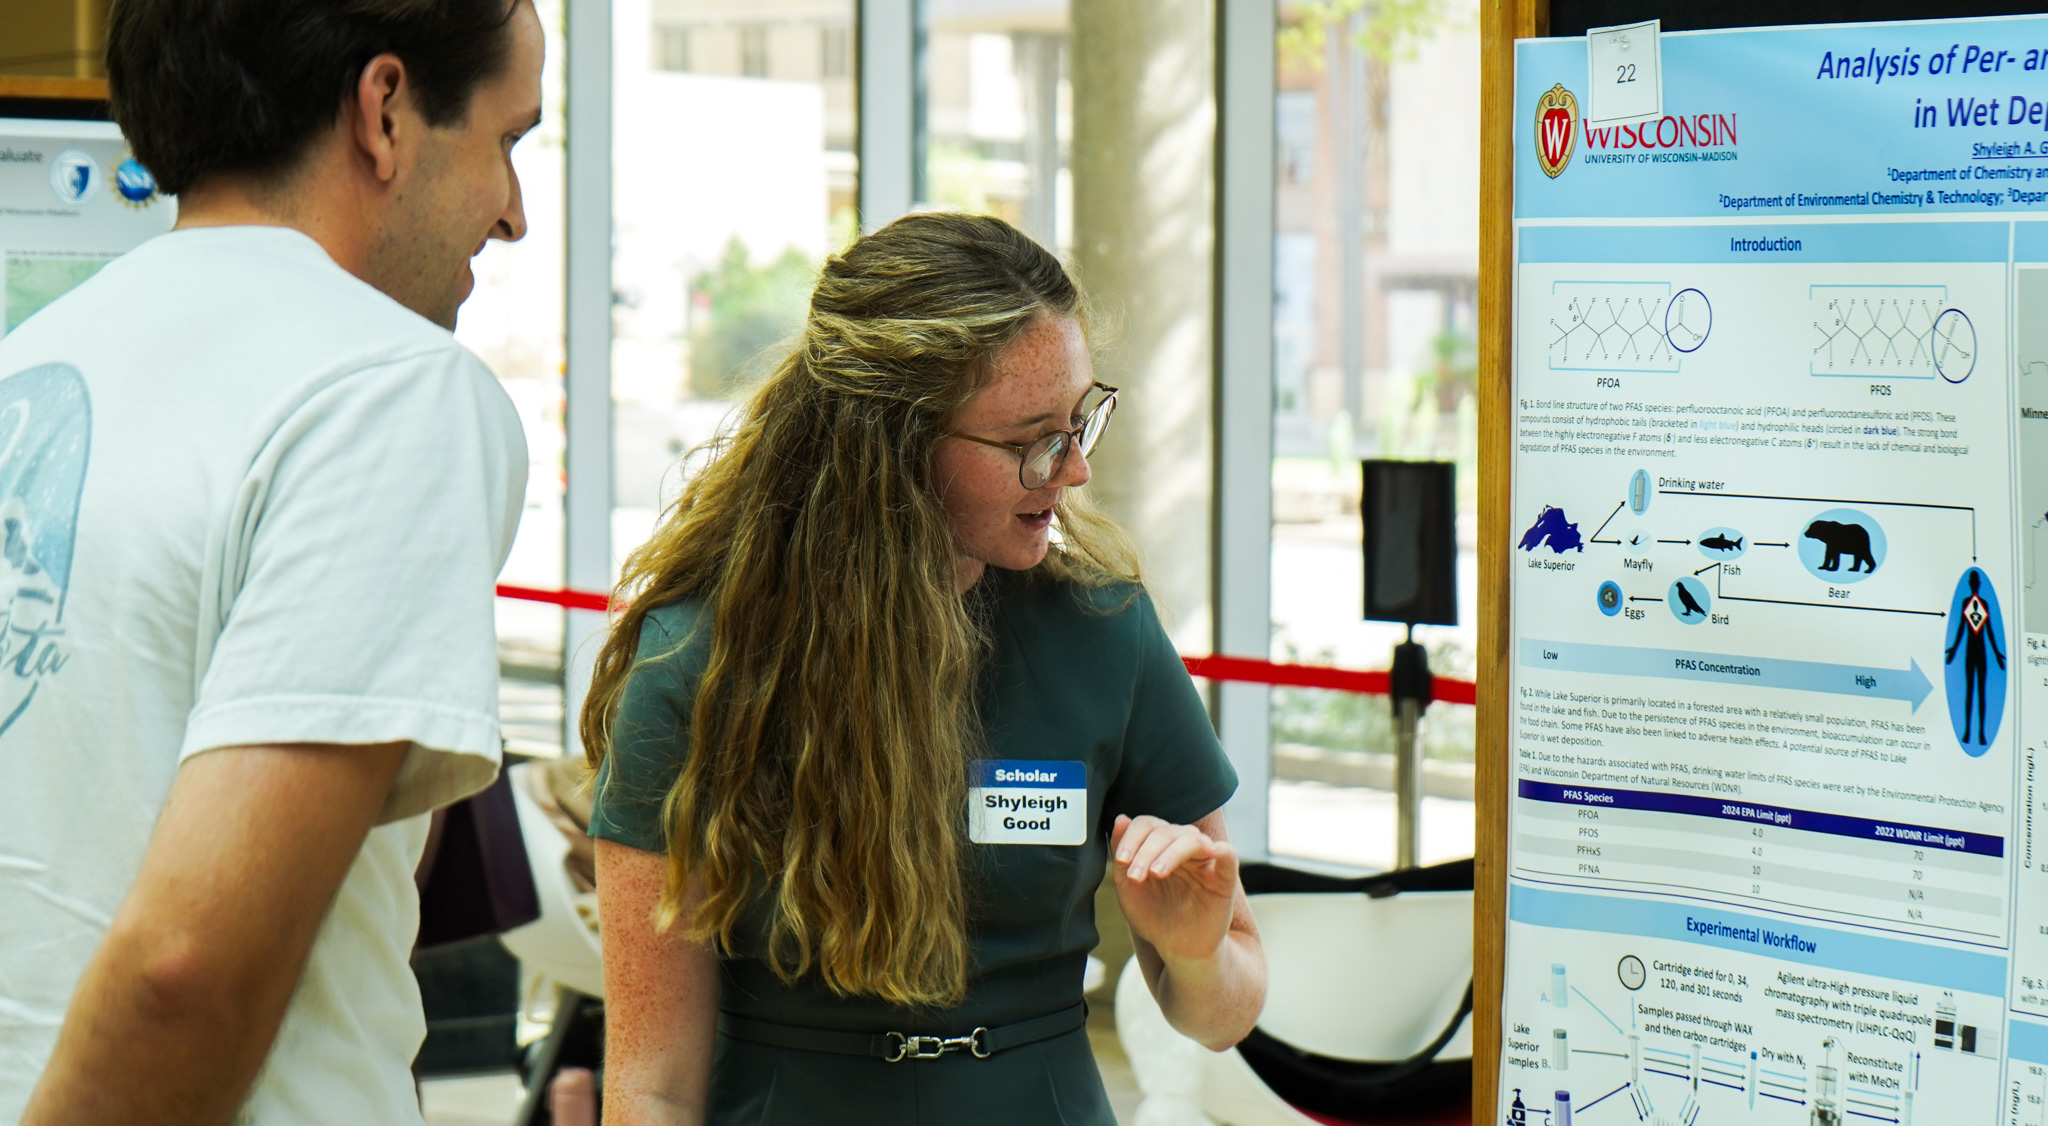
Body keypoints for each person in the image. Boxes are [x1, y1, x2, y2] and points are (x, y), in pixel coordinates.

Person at [584, 212, 1268, 1125]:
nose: (1073, 473)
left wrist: (1191, 953)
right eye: (1032, 439)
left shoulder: (1103, 631)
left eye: (1080, 422)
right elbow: (652, 1086)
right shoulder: (698, 667)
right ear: (890, 447)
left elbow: (1226, 1012)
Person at [0, 1, 543, 1123]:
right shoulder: (386, 390)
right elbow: (183, 971)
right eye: (507, 141)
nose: (514, 215)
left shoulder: (32, 369)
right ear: (384, 110)